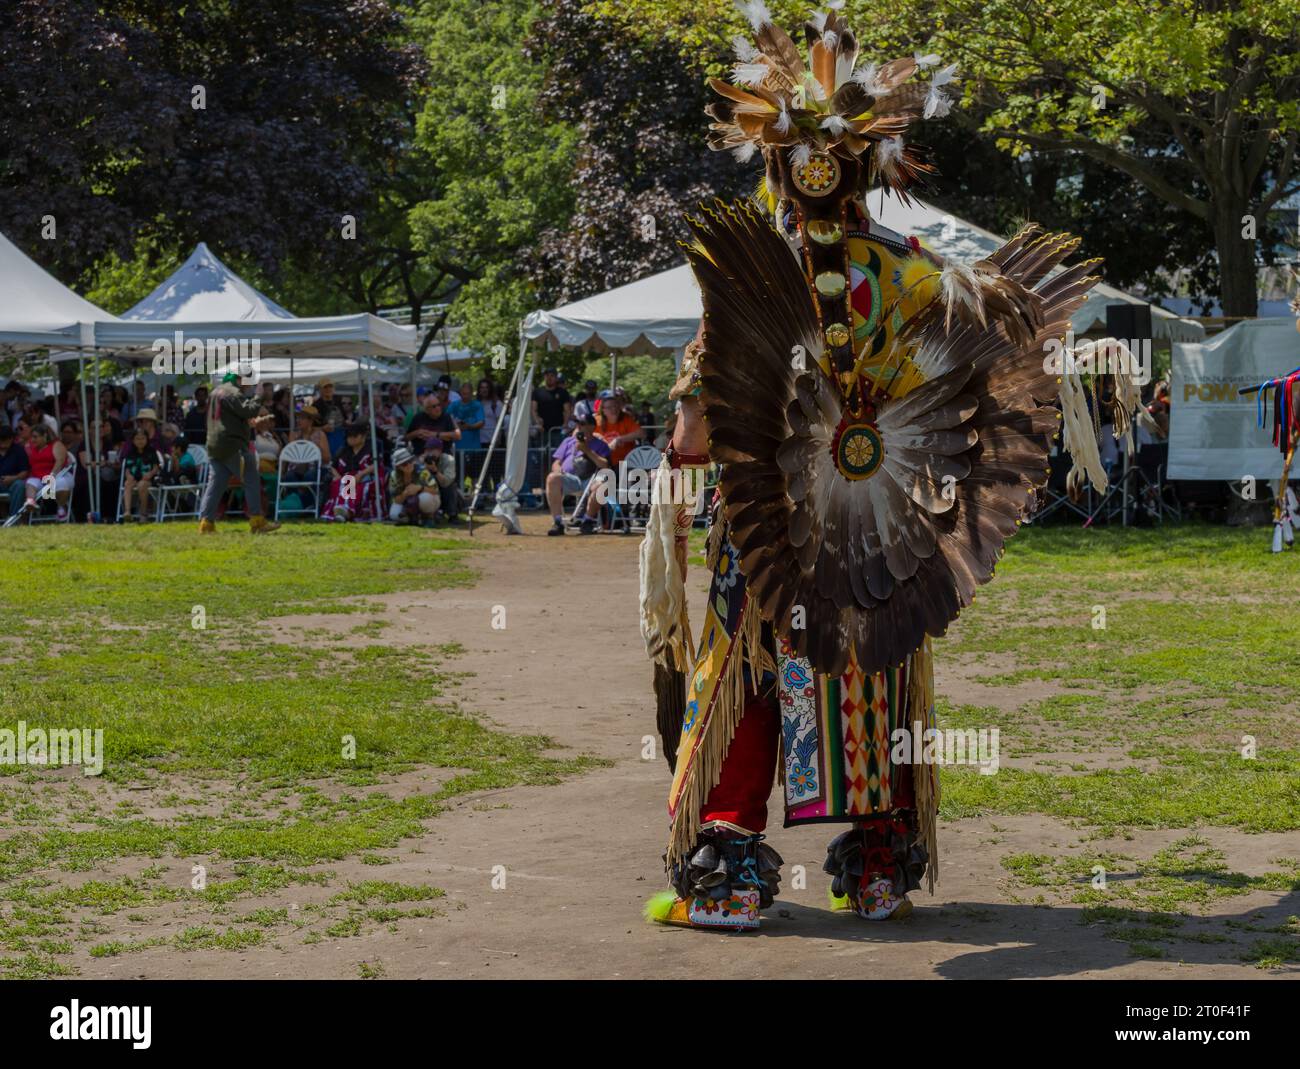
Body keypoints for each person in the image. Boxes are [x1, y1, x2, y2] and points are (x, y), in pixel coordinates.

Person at [640, 7, 1117, 932]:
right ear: (869, 167)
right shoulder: (921, 273)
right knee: (877, 676)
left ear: (781, 168)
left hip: (767, 528)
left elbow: (696, 440)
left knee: (748, 679)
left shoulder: (749, 275)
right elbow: (994, 364)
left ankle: (732, 873)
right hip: (890, 527)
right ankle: (879, 870)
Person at [198, 371, 280, 533]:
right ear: (239, 379)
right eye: (248, 381)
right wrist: (258, 396)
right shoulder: (233, 393)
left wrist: (246, 422)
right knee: (251, 479)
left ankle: (206, 523)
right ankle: (257, 521)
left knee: (216, 484)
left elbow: (228, 417)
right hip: (233, 445)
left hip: (215, 445)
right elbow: (249, 410)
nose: (249, 386)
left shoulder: (216, 391)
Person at [545, 413, 611, 536]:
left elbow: (604, 465)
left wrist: (586, 450)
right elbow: (556, 462)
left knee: (603, 486)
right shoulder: (568, 441)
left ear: (592, 427)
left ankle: (588, 521)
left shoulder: (601, 444)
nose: (578, 426)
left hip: (591, 479)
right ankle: (557, 522)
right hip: (570, 478)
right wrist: (558, 469)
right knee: (552, 478)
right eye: (577, 424)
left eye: (582, 424)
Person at [323, 422, 380, 522]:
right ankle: (343, 511)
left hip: (364, 478)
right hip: (345, 479)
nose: (351, 439)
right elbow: (332, 466)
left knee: (353, 485)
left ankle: (345, 510)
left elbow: (377, 464)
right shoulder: (343, 450)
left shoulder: (371, 448)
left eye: (354, 436)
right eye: (349, 436)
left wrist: (361, 474)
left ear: (363, 436)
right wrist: (338, 477)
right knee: (340, 484)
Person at [20, 422, 74, 520]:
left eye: (35, 437)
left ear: (44, 436)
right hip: (39, 478)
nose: (32, 439)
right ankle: (30, 502)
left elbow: (60, 461)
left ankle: (61, 507)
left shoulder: (56, 444)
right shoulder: (31, 447)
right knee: (30, 482)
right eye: (32, 437)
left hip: (58, 475)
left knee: (61, 483)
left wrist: (51, 476)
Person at [119, 427, 161, 521]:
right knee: (127, 484)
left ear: (147, 439)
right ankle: (127, 512)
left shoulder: (151, 451)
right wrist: (128, 476)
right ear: (133, 440)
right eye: (137, 439)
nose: (140, 441)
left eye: (142, 438)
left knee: (142, 485)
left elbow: (156, 467)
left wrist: (150, 474)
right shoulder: (130, 452)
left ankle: (143, 513)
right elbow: (127, 468)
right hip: (134, 478)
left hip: (148, 479)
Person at [387, 446, 437, 525]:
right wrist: (405, 494)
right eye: (404, 464)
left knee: (425, 498)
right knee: (394, 514)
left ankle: (428, 517)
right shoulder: (394, 475)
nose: (409, 465)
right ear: (398, 467)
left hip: (426, 500)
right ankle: (412, 519)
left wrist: (420, 488)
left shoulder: (423, 471)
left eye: (410, 461)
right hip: (405, 503)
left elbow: (435, 491)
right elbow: (396, 500)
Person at [593, 389, 642, 466]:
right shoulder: (596, 420)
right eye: (610, 407)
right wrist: (595, 435)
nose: (614, 409)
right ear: (603, 410)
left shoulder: (625, 419)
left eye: (616, 406)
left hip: (624, 463)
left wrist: (618, 439)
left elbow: (641, 433)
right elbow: (578, 433)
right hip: (601, 462)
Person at [531, 368, 571, 445]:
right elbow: (533, 410)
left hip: (557, 430)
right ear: (544, 377)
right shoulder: (537, 392)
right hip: (541, 430)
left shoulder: (563, 392)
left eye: (552, 376)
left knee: (556, 454)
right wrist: (537, 423)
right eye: (547, 375)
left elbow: (567, 410)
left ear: (556, 378)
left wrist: (565, 423)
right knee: (540, 454)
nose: (549, 378)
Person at [0, 423, 30, 520]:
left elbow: (25, 472)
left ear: (11, 439)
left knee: (20, 485)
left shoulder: (18, 450)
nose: (2, 443)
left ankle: (14, 519)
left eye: (5, 440)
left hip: (12, 483)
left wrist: (13, 478)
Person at [448, 381, 485, 451]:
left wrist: (469, 426)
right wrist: (456, 426)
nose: (466, 396)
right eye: (464, 393)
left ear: (471, 394)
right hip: (457, 447)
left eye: (468, 394)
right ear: (460, 393)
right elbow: (447, 419)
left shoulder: (477, 405)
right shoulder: (453, 405)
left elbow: (481, 422)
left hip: (473, 447)